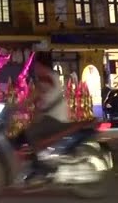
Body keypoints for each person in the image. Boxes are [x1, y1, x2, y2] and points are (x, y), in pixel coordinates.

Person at [18, 51, 72, 183]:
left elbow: (37, 95)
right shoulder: (50, 76)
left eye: (37, 66)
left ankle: (41, 169)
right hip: (53, 117)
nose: (35, 69)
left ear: (42, 66)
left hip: (55, 118)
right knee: (29, 133)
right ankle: (37, 165)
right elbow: (39, 100)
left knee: (31, 133)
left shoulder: (47, 77)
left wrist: (18, 106)